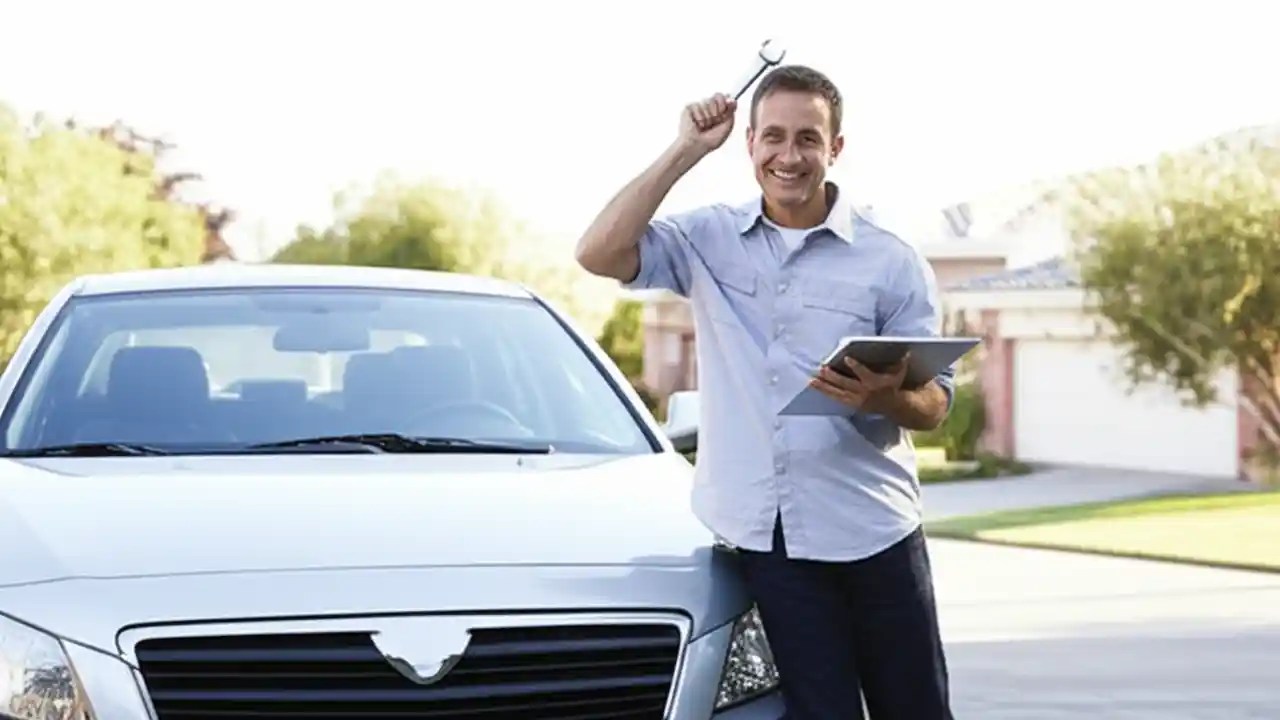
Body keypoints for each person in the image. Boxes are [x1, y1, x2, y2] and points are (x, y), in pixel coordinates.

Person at [574, 64, 956, 719]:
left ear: (835, 149)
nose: (789, 155)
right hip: (773, 543)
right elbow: (598, 252)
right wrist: (687, 149)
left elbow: (936, 405)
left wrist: (886, 397)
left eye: (808, 138)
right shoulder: (707, 239)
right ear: (748, 143)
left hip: (876, 534)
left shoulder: (891, 261)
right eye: (772, 136)